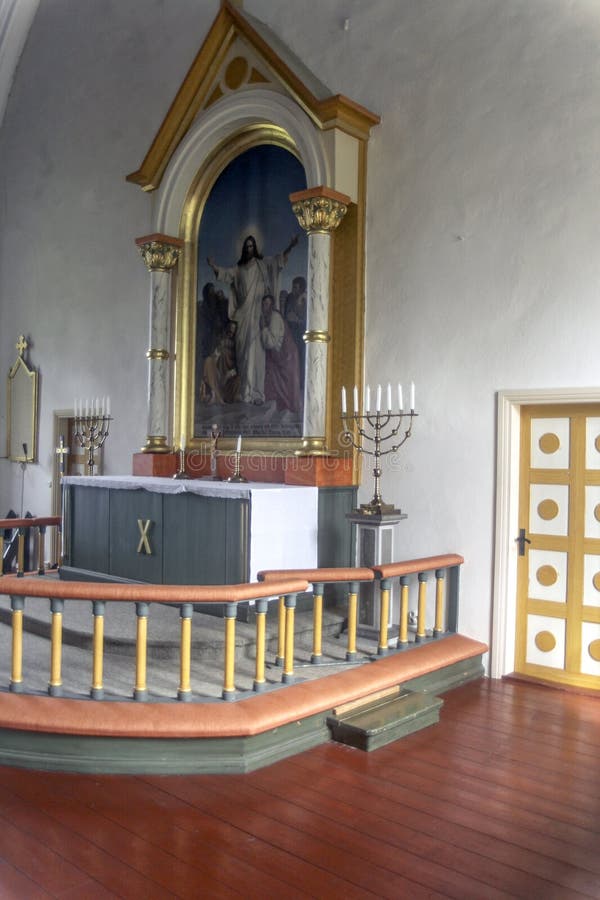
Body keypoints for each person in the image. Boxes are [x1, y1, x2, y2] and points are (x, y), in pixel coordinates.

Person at [207, 234, 298, 404]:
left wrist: (290, 247)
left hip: (257, 316)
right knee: (243, 354)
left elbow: (277, 262)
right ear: (244, 249)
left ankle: (257, 393)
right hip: (243, 316)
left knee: (257, 355)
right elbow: (225, 274)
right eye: (247, 247)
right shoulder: (239, 269)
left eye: (251, 246)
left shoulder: (262, 266)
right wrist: (213, 266)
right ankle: (244, 392)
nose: (249, 249)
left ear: (254, 248)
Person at [260, 293, 302, 414]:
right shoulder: (268, 316)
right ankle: (282, 408)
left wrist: (263, 329)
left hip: (286, 355)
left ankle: (289, 410)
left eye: (267, 304)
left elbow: (271, 342)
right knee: (277, 381)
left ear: (272, 305)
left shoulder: (274, 317)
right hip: (282, 354)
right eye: (263, 304)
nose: (264, 307)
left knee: (287, 385)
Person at [284, 275, 307, 388]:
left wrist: (298, 317)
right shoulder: (290, 298)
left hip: (302, 334)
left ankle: (301, 385)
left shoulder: (306, 299)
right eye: (293, 287)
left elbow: (305, 318)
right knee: (291, 358)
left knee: (302, 359)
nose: (293, 290)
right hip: (291, 333)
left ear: (302, 288)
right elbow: (288, 315)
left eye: (296, 287)